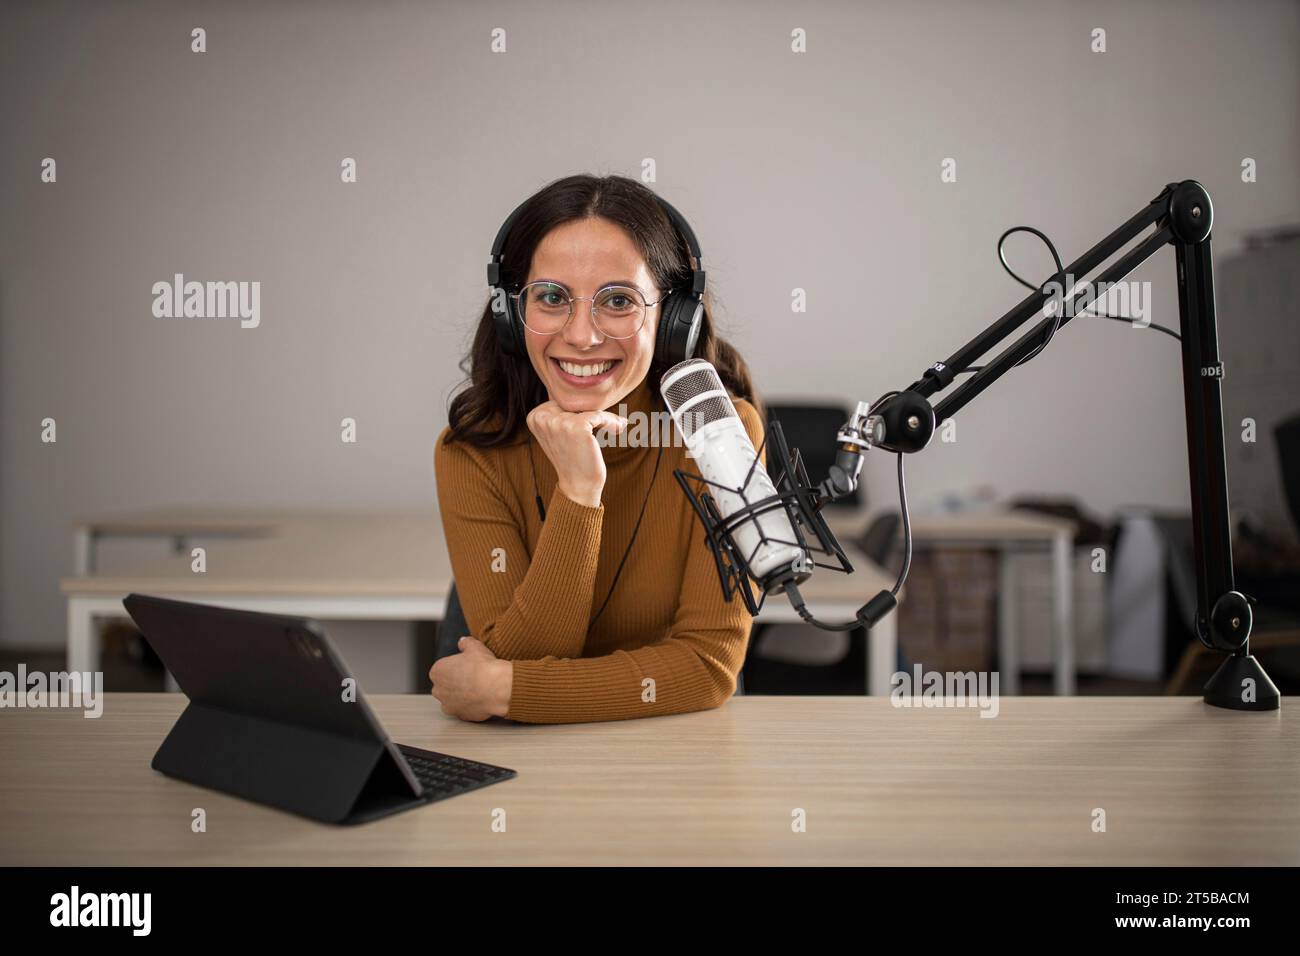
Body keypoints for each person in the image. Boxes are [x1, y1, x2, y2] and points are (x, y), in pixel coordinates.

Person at [430, 174, 766, 723]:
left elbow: (707, 666)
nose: (582, 335)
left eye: (618, 300)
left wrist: (509, 692)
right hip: (516, 766)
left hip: (670, 752)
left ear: (674, 317)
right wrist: (579, 490)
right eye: (552, 298)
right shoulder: (472, 451)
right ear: (511, 315)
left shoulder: (719, 434)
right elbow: (523, 658)